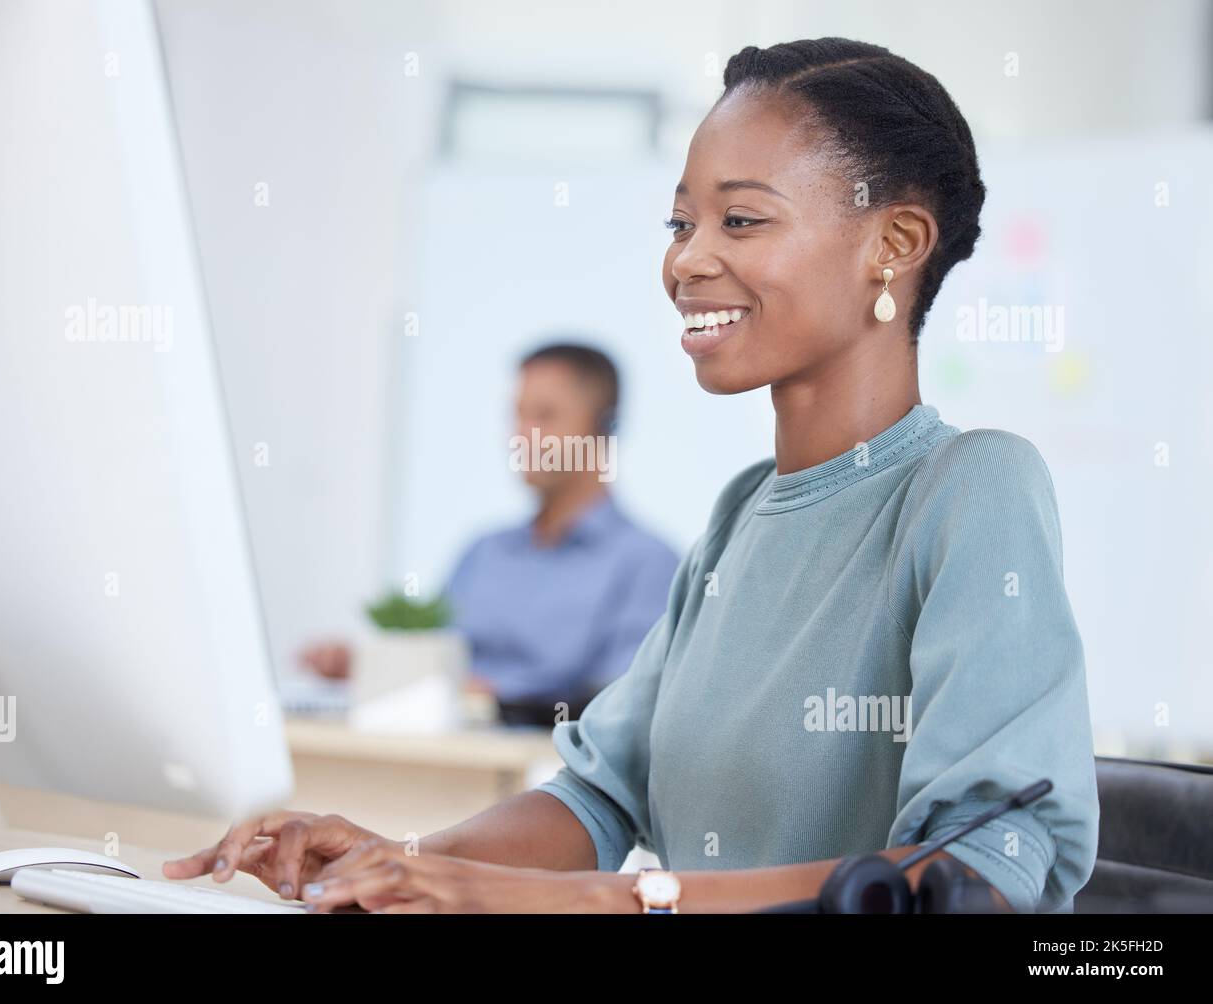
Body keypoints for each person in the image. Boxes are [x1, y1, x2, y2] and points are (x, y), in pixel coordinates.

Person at [167, 38, 1099, 913]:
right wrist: (402, 865)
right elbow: (599, 796)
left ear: (893, 243)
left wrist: (594, 902)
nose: (687, 261)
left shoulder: (973, 488)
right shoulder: (741, 516)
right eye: (682, 222)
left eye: (740, 219)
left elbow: (976, 871)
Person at [301, 342, 680, 726]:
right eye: (517, 415)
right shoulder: (483, 552)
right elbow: (433, 662)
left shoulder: (646, 562)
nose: (521, 436)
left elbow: (622, 705)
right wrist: (371, 666)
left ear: (603, 428)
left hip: (538, 769)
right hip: (440, 758)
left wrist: (498, 702)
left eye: (545, 416)